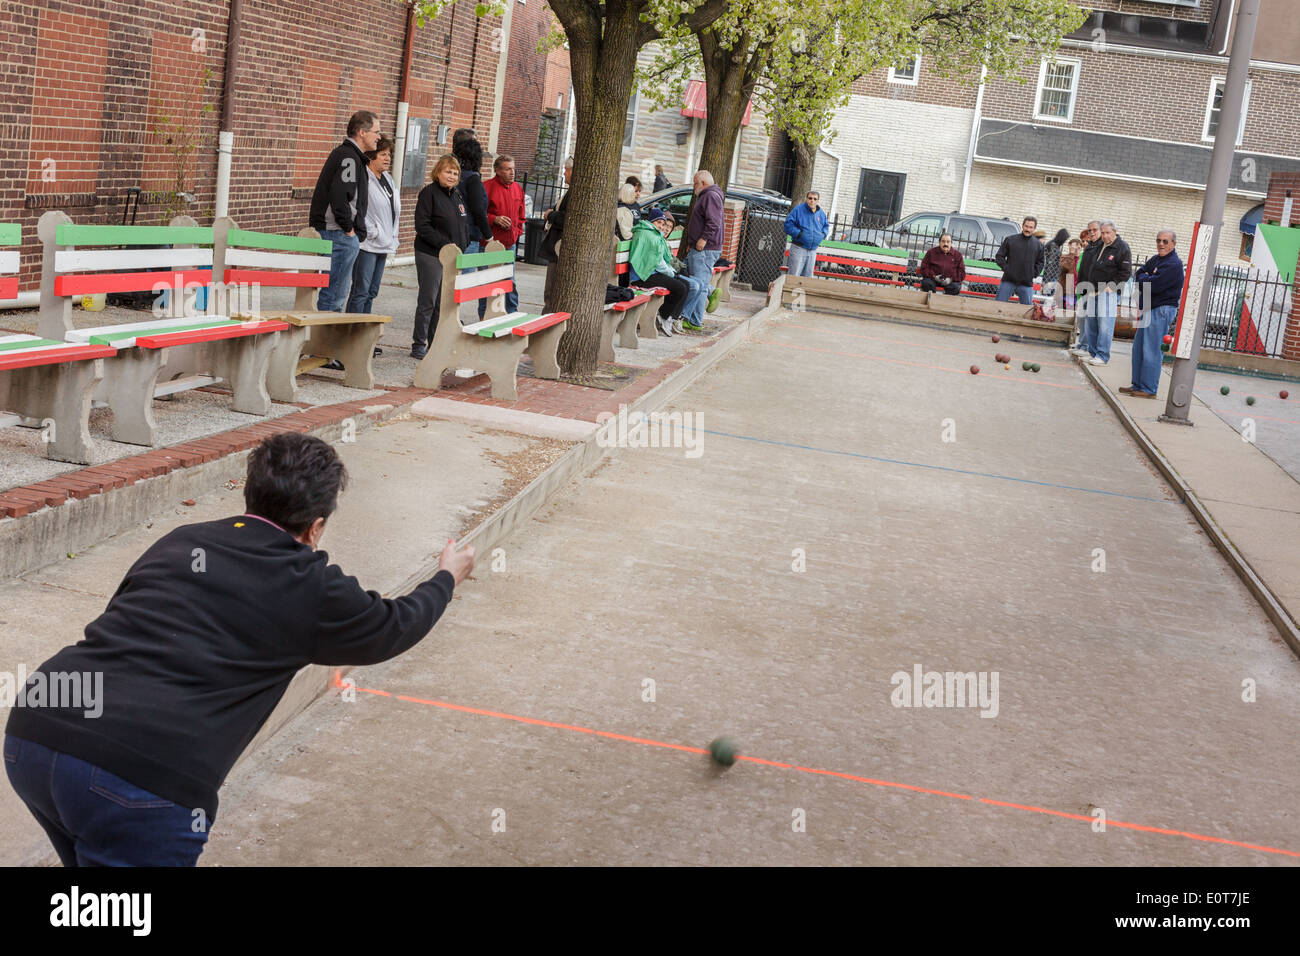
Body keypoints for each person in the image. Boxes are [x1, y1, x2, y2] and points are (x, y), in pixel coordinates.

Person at [4, 432, 476, 866]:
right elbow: (395, 626)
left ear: (249, 494)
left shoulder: (183, 541)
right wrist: (446, 577)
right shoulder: (311, 588)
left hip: (35, 731)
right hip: (141, 777)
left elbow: (122, 618)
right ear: (315, 527)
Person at [310, 110, 381, 311]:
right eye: (376, 131)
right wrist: (349, 231)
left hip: (340, 234)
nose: (379, 137)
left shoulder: (351, 157)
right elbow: (340, 196)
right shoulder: (348, 157)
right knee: (333, 298)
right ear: (361, 132)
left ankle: (328, 340)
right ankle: (326, 341)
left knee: (335, 296)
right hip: (337, 234)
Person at [412, 154, 469, 359]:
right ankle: (418, 343)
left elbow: (463, 224)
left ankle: (435, 343)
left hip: (452, 258)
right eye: (448, 171)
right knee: (428, 300)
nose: (452, 176)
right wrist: (445, 245)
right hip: (431, 254)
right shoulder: (429, 194)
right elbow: (422, 226)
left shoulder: (456, 196)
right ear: (438, 172)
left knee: (441, 303)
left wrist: (465, 242)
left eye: (455, 173)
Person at [1122, 230, 1184, 398]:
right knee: (1139, 348)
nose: (1161, 244)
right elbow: (1138, 275)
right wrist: (1147, 278)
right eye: (1158, 240)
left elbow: (1154, 286)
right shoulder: (1156, 260)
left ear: (1173, 244)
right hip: (1150, 308)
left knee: (1152, 350)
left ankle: (1149, 389)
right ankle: (1137, 385)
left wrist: (1147, 278)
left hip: (1161, 309)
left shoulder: (1173, 264)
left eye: (1165, 241)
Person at [629, 211, 707, 336]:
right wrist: (672, 274)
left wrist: (673, 272)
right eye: (658, 222)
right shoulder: (648, 235)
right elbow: (657, 262)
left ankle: (669, 317)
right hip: (642, 276)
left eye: (663, 223)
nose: (661, 226)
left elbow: (661, 260)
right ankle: (665, 316)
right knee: (680, 287)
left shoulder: (653, 234)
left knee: (684, 285)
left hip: (651, 273)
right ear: (651, 221)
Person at [346, 136, 400, 316]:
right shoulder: (365, 178)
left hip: (384, 244)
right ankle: (351, 337)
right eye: (383, 154)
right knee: (360, 291)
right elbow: (358, 208)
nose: (387, 158)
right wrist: (373, 232)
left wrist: (391, 235)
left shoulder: (387, 179)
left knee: (372, 292)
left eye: (389, 155)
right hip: (368, 244)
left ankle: (365, 337)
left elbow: (393, 210)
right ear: (371, 157)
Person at [1072, 219, 1132, 366]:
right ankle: (1093, 353)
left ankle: (1102, 355)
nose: (1105, 236)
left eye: (1108, 233)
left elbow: (1125, 272)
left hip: (1108, 292)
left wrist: (1111, 287)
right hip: (1093, 289)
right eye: (1103, 233)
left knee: (1105, 325)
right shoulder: (1100, 246)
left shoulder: (1122, 248)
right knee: (1092, 323)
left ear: (1115, 232)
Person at [480, 154, 525, 319]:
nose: (512, 172)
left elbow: (521, 216)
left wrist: (517, 231)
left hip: (509, 244)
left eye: (513, 169)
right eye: (507, 169)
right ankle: (484, 317)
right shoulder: (486, 187)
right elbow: (478, 215)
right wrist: (494, 219)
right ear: (497, 171)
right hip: (490, 244)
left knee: (510, 281)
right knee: (488, 282)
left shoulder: (518, 189)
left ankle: (512, 316)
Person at [683, 169, 725, 331]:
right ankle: (712, 291)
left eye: (695, 183)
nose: (693, 186)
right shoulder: (708, 195)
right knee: (690, 278)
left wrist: (702, 239)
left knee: (699, 284)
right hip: (699, 247)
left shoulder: (710, 196)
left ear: (703, 183)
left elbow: (713, 222)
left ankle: (694, 321)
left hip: (705, 248)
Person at [540, 157, 573, 313]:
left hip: (559, 247)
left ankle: (546, 321)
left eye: (566, 169)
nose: (564, 173)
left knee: (551, 292)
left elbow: (569, 219)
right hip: (555, 247)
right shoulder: (569, 192)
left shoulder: (574, 193)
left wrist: (551, 215)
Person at [994, 215, 1044, 304]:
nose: (1028, 229)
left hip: (1026, 283)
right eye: (1026, 226)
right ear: (1022, 225)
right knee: (998, 305)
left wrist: (1032, 274)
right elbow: (999, 256)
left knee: (1027, 310)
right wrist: (1007, 269)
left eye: (1031, 227)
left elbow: (1040, 262)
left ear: (1034, 228)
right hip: (1008, 280)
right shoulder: (1010, 240)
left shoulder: (1038, 245)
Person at [783, 190, 829, 278]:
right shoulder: (798, 210)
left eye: (815, 199)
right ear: (806, 199)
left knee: (808, 278)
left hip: (812, 251)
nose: (812, 201)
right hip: (799, 248)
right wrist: (799, 234)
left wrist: (822, 235)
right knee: (794, 276)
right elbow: (788, 225)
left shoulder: (821, 213)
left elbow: (826, 226)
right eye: (810, 198)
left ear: (818, 201)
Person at [1041, 227, 1071, 310]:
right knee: (1047, 302)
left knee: (1047, 302)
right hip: (1050, 279)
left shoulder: (1053, 244)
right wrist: (1046, 282)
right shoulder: (1053, 246)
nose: (1065, 241)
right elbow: (1050, 266)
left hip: (1051, 278)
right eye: (1065, 239)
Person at [1060, 238, 1082, 310]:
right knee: (1067, 311)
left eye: (1079, 248)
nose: (1076, 250)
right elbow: (1064, 268)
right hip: (1067, 291)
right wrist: (1071, 254)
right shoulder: (1064, 257)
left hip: (1078, 291)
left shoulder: (1083, 259)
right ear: (1069, 247)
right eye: (1074, 248)